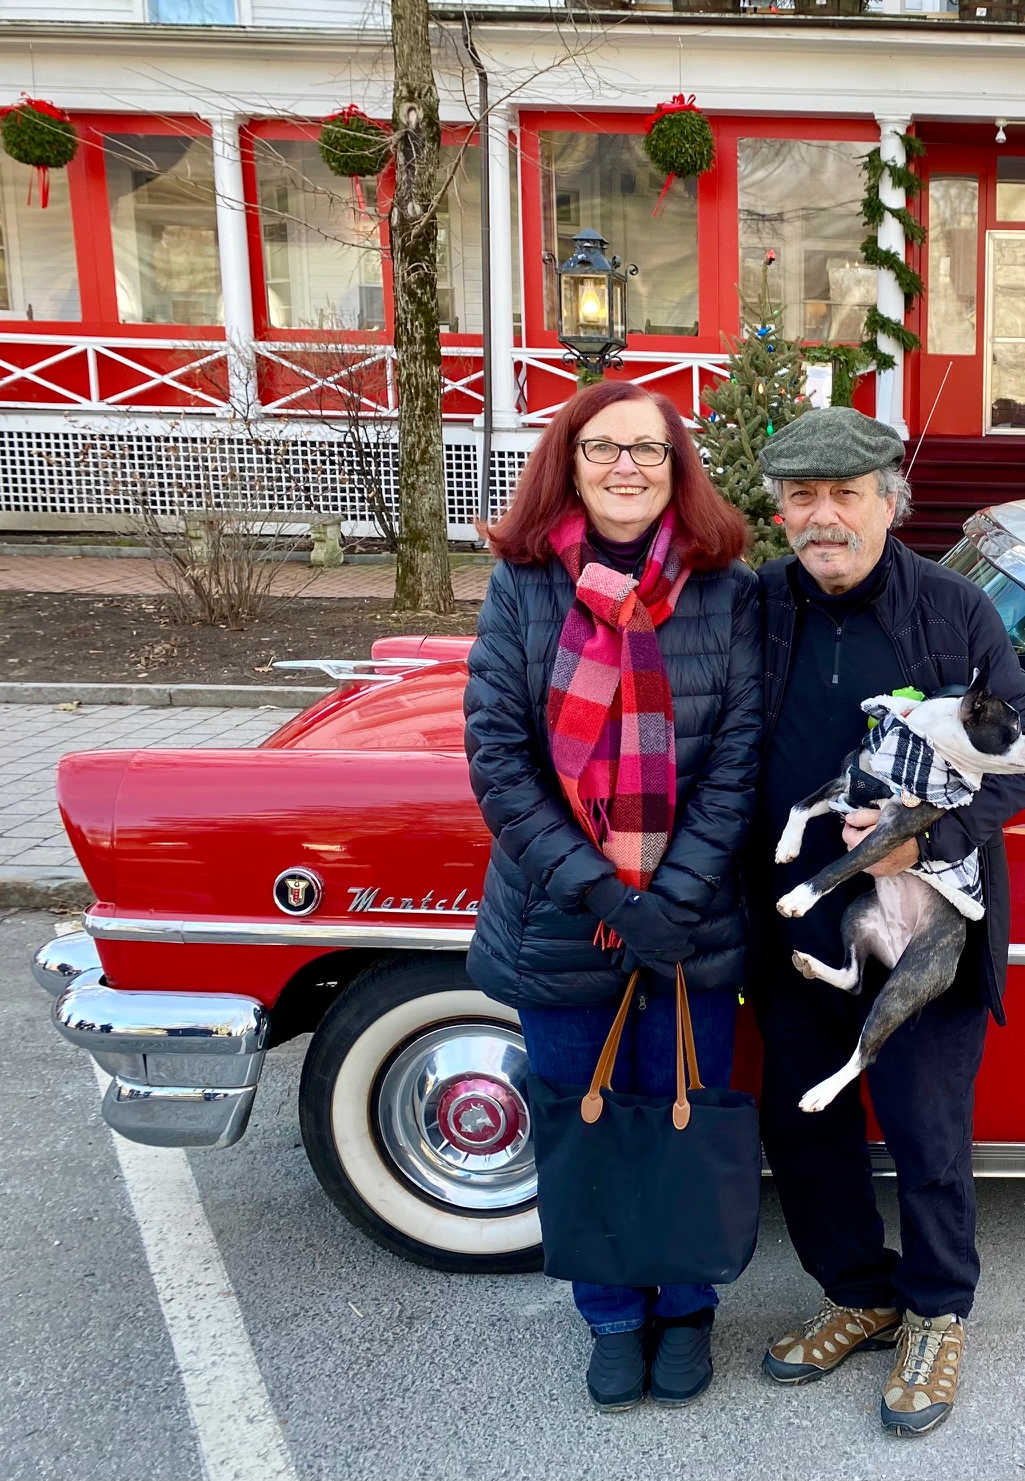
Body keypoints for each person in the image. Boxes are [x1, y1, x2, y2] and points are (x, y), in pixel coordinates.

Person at [746, 406, 1025, 1438]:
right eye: (802, 496)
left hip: (924, 916)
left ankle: (934, 1311)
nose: (821, 515)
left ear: (889, 500)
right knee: (805, 1126)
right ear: (780, 507)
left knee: (925, 1127)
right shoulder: (755, 605)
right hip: (799, 922)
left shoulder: (952, 610)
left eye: (844, 494)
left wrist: (924, 841)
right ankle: (859, 1291)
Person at [463, 381, 760, 1412]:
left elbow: (739, 758)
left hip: (691, 916)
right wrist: (602, 888)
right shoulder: (520, 584)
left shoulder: (728, 587)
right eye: (602, 448)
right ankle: (611, 1313)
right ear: (570, 461)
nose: (624, 464)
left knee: (679, 1113)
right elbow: (499, 759)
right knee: (581, 1119)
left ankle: (684, 1306)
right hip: (561, 913)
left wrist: (669, 898)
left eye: (646, 448)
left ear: (677, 465)